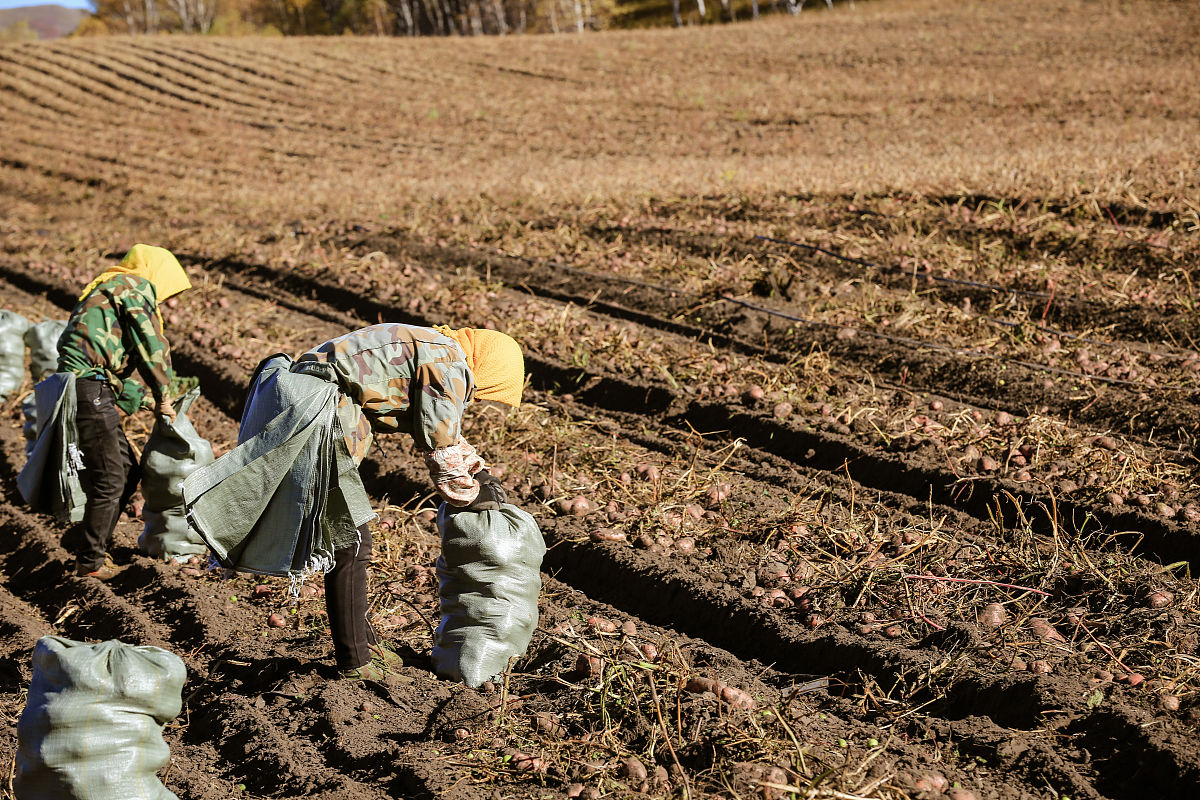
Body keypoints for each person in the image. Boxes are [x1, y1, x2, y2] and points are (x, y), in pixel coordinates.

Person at [186, 323, 524, 681]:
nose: (479, 396)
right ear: (488, 368)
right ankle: (355, 661)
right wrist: (472, 493)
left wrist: (478, 471)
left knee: (350, 539)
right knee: (350, 541)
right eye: (488, 389)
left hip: (307, 400)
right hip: (317, 411)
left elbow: (440, 427)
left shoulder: (439, 349)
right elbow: (441, 448)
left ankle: (366, 646)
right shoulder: (448, 361)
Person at [57, 244, 190, 580]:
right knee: (111, 477)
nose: (165, 299)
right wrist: (163, 393)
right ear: (157, 274)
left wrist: (145, 400)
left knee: (126, 471)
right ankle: (89, 562)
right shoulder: (133, 286)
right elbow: (150, 343)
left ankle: (90, 546)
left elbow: (105, 366)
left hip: (87, 386)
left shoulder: (110, 288)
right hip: (88, 389)